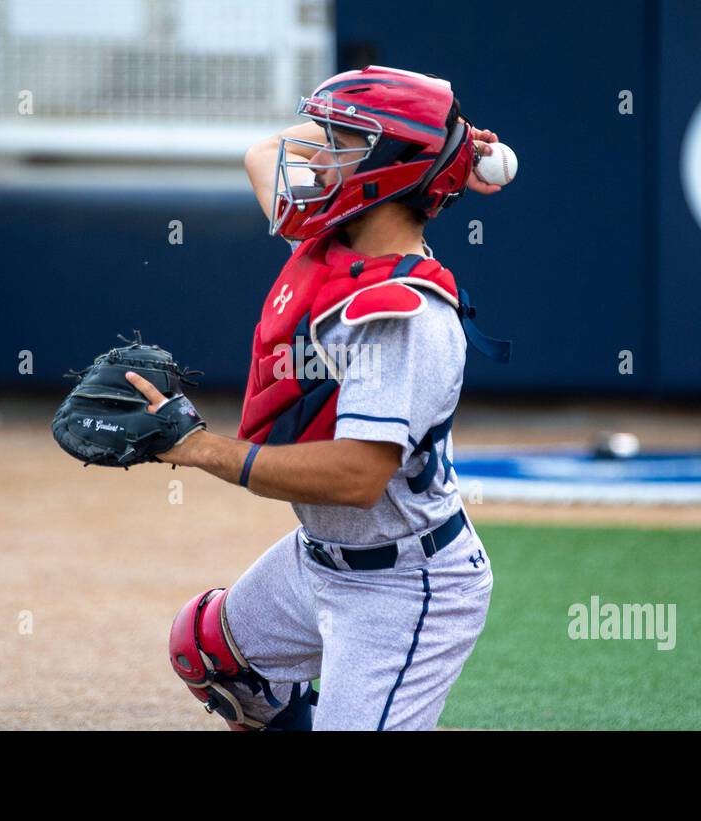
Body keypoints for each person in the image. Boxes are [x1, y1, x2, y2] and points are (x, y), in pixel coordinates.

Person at [135, 65, 510, 730]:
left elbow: (358, 476)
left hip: (403, 588)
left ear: (387, 169)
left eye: (342, 142)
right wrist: (442, 145)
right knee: (210, 650)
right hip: (318, 563)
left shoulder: (403, 315)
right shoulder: (332, 241)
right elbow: (264, 154)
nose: (316, 155)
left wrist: (200, 449)